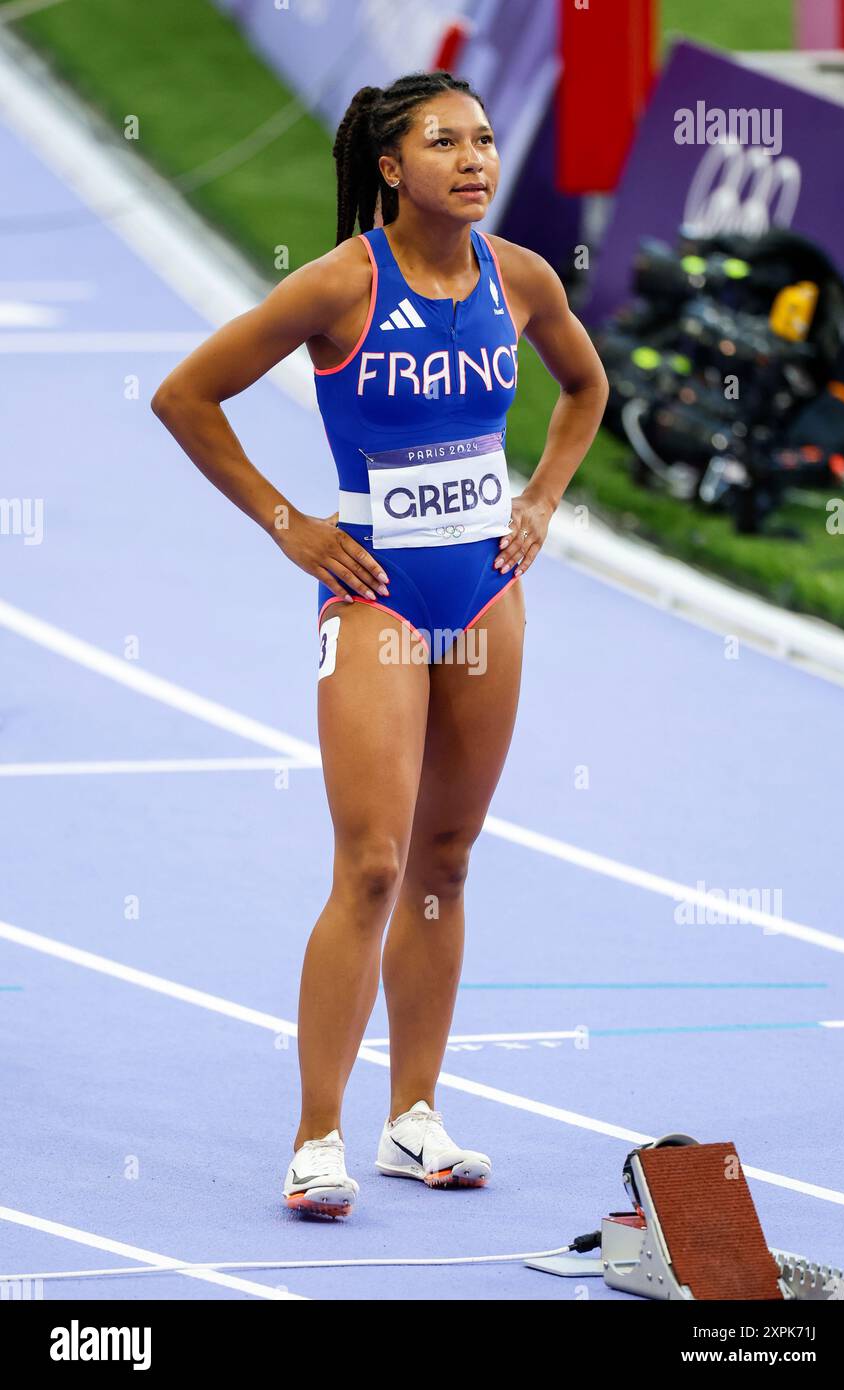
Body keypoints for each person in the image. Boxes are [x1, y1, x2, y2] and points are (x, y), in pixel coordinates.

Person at [151, 70, 608, 1219]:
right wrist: (288, 524)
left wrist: (542, 499)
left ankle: (414, 1116)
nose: (473, 158)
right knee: (369, 863)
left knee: (444, 864)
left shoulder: (522, 277)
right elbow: (186, 396)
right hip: (378, 602)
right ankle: (316, 1136)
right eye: (442, 141)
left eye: (485, 139)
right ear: (390, 167)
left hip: (484, 598)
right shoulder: (341, 286)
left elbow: (583, 386)